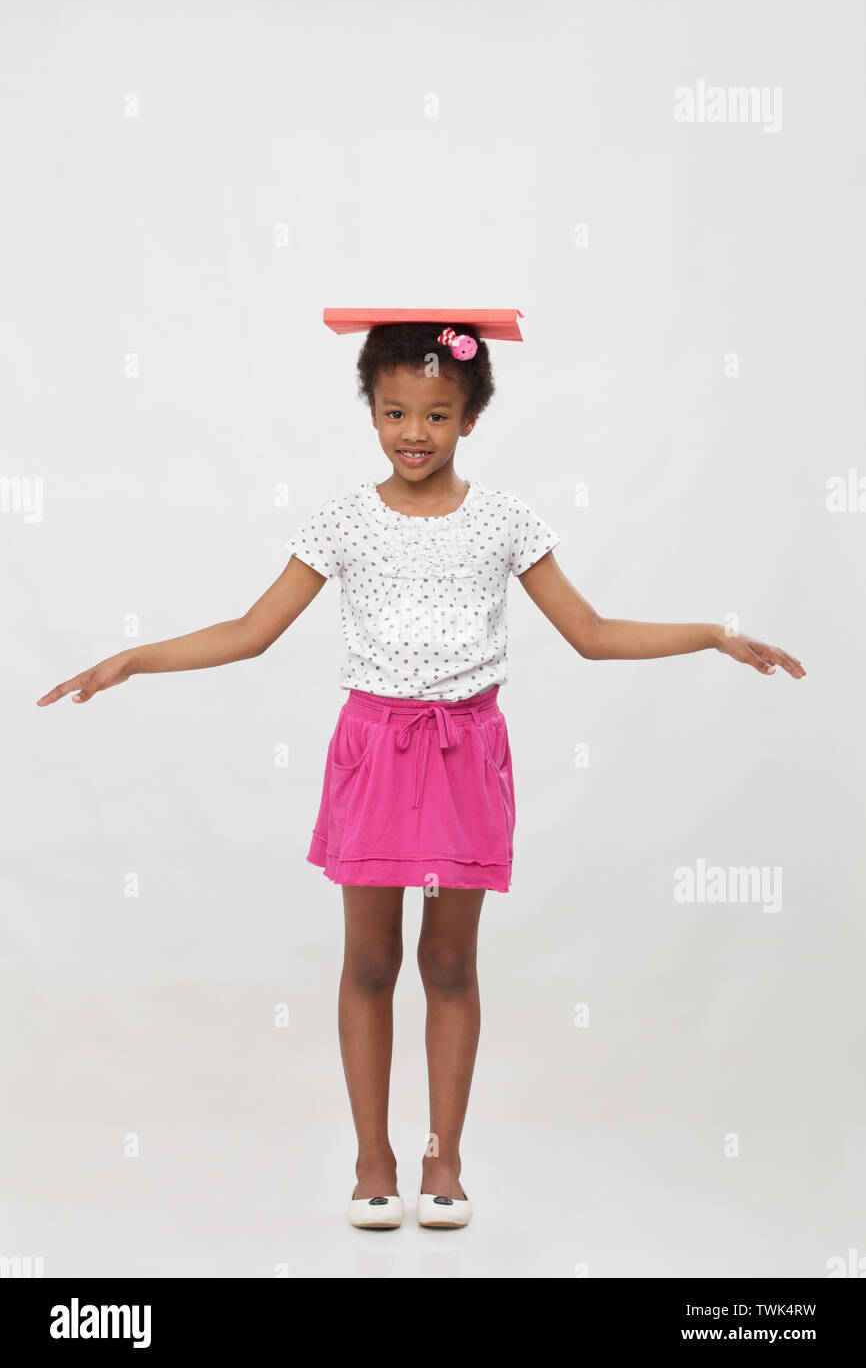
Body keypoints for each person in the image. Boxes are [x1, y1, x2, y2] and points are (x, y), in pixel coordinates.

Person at [37, 308, 806, 1232]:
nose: (415, 433)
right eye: (396, 413)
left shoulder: (507, 521)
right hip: (374, 752)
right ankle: (373, 1155)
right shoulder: (343, 521)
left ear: (470, 419)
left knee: (448, 960)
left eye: (436, 416)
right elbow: (250, 631)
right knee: (369, 957)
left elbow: (593, 635)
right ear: (371, 410)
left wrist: (710, 637)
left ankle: (442, 1156)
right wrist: (132, 657)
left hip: (464, 755)